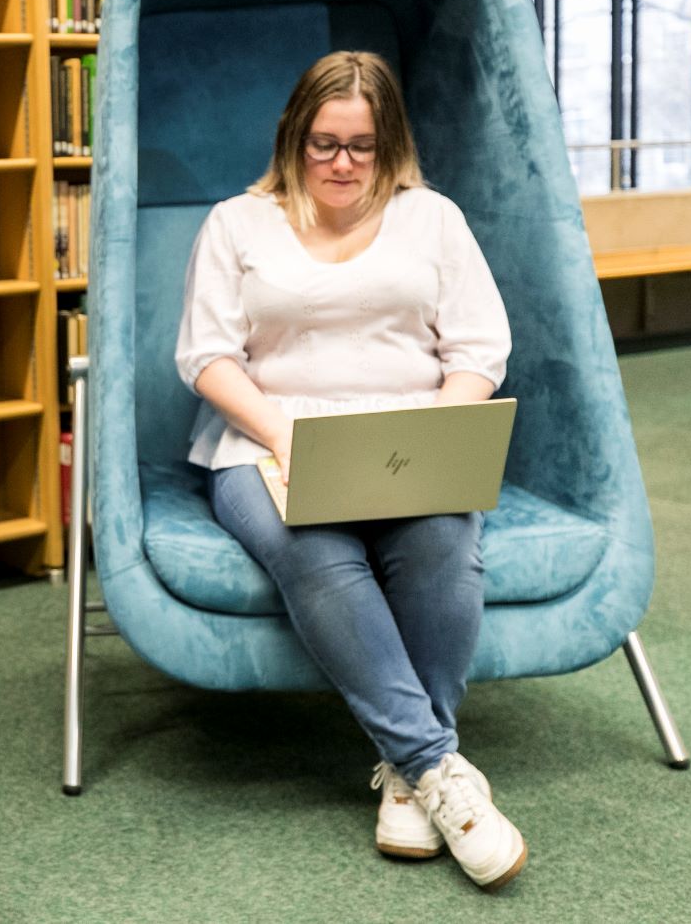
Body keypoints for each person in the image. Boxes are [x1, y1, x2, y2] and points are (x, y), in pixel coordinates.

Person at [174, 50, 526, 891]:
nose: (341, 163)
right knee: (314, 548)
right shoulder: (236, 223)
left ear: (389, 144)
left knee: (443, 542)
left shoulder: (433, 219)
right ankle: (437, 769)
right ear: (293, 137)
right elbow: (206, 356)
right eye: (324, 143)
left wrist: (437, 435)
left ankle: (409, 778)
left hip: (409, 431)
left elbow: (479, 348)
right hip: (265, 437)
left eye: (362, 146)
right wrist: (283, 433)